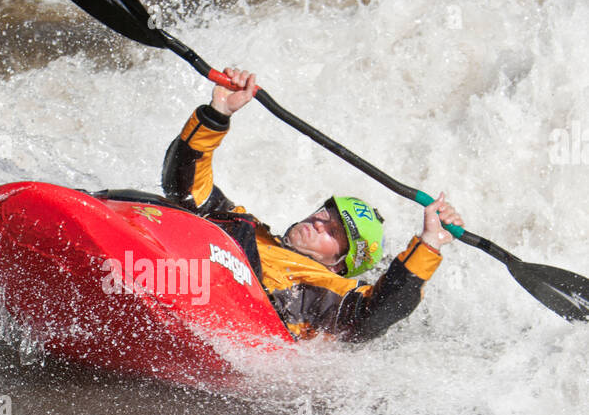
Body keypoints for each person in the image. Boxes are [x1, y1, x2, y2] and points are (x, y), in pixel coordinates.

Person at [161, 68, 464, 342]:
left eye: (333, 233)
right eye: (327, 215)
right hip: (179, 279)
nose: (320, 224)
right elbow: (185, 190)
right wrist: (217, 114)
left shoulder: (321, 287)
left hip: (230, 315)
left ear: (338, 264)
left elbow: (373, 315)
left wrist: (428, 244)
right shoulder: (244, 225)